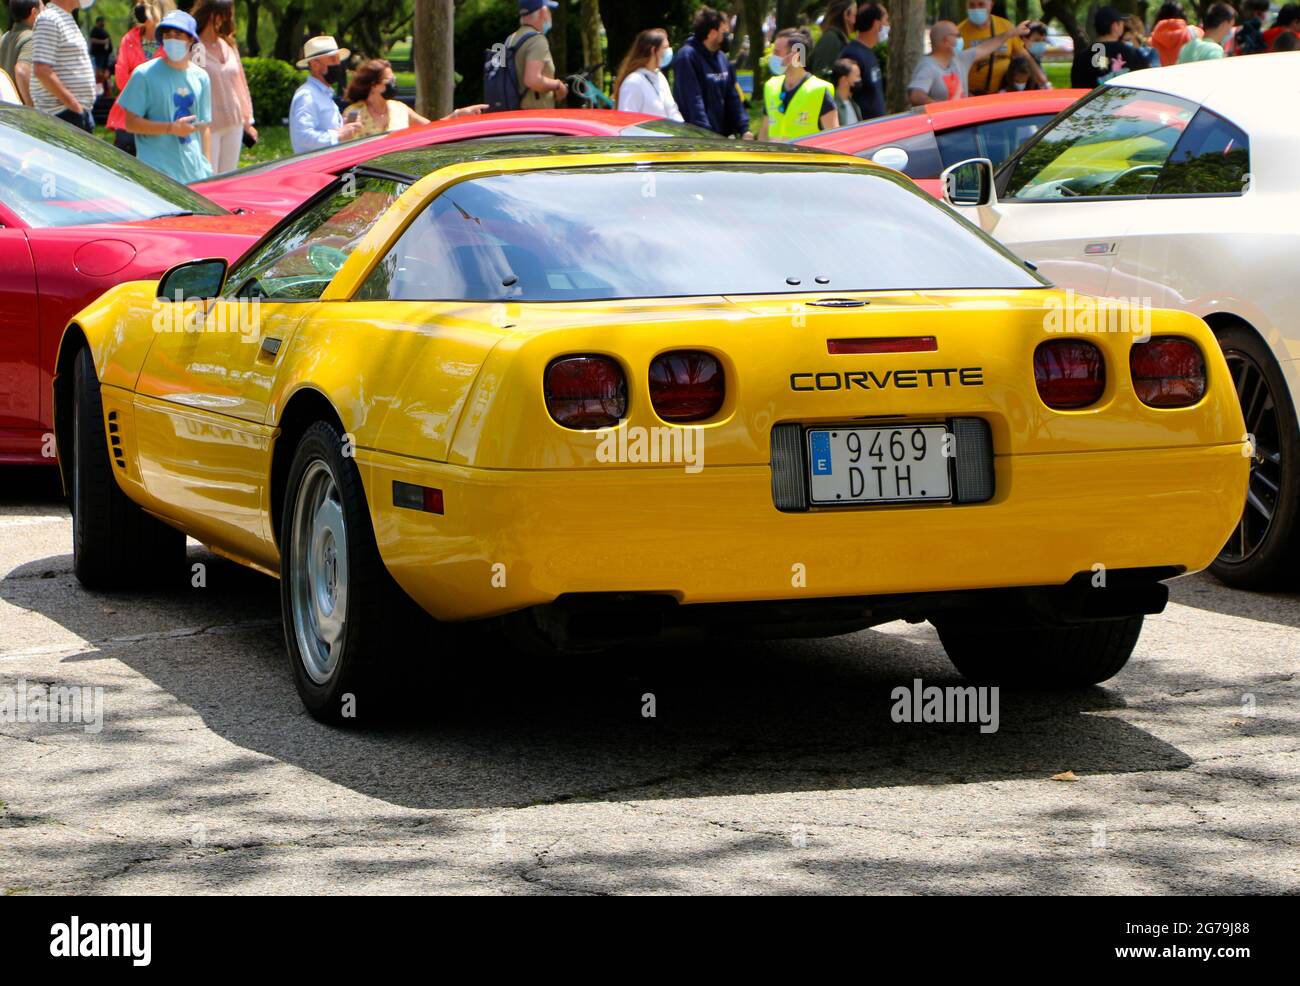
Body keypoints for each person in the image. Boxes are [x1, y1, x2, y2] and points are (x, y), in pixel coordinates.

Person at [118, 9, 212, 182]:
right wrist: (170, 128)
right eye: (167, 34)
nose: (172, 39)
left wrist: (206, 165)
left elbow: (204, 126)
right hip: (157, 176)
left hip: (194, 174)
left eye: (178, 34)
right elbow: (131, 123)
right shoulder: (144, 74)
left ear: (191, 39)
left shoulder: (201, 77)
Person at [192, 0, 253, 174]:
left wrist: (247, 120)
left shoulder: (229, 45)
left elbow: (240, 82)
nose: (225, 19)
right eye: (222, 14)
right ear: (210, 14)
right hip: (209, 125)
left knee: (229, 176)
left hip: (234, 122)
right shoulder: (197, 48)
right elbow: (194, 83)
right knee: (209, 176)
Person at [909, 19, 1031, 105]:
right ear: (946, 41)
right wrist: (941, 110)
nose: (960, 38)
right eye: (957, 35)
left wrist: (1011, 33)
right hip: (943, 135)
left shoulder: (959, 59)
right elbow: (916, 95)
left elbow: (985, 47)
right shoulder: (928, 66)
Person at [672, 6, 749, 138]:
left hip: (721, 137)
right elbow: (693, 100)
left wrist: (744, 129)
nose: (727, 37)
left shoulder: (722, 58)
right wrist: (704, 134)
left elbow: (733, 96)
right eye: (724, 32)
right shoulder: (688, 57)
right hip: (698, 138)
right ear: (712, 33)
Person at [759, 28, 837, 140]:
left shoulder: (819, 90)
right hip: (775, 157)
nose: (772, 57)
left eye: (777, 52)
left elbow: (834, 136)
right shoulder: (771, 86)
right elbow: (764, 131)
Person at [288, 35, 360, 153]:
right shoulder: (307, 96)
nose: (338, 64)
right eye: (332, 59)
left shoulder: (322, 94)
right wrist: (337, 135)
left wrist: (343, 125)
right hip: (313, 167)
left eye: (338, 59)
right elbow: (303, 136)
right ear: (315, 65)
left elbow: (322, 128)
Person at [30, 0, 95, 130]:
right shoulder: (49, 19)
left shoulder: (63, 17)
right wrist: (74, 105)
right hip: (62, 114)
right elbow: (41, 70)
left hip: (73, 112)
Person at [959, 0, 1046, 95]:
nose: (976, 9)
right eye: (972, 5)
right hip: (972, 94)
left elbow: (1024, 56)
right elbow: (954, 67)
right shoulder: (959, 32)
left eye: (981, 4)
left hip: (1002, 93)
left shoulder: (1006, 26)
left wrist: (1042, 80)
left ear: (991, 5)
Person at [107, 3, 160, 154]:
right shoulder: (129, 39)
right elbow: (121, 77)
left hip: (158, 115)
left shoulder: (168, 40)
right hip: (129, 113)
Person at [504, 0, 566, 110]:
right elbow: (532, 80)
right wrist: (558, 85)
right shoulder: (537, 40)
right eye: (550, 11)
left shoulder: (511, 39)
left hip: (513, 115)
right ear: (543, 12)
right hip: (535, 117)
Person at [1070, 7, 1151, 88]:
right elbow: (1146, 83)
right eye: (1121, 23)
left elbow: (1077, 89)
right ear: (1115, 26)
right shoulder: (1133, 54)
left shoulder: (1081, 58)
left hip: (1094, 100)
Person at [613, 28, 683, 121]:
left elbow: (672, 111)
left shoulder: (660, 77)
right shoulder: (633, 82)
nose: (669, 51)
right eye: (665, 48)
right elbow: (626, 122)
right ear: (653, 50)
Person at [839, 2, 886, 121]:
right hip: (863, 129)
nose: (887, 26)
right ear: (876, 24)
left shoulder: (867, 51)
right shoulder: (853, 54)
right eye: (885, 20)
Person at [0, 0, 41, 107]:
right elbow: (22, 71)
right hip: (21, 115)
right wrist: (33, 109)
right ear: (34, 13)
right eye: (43, 8)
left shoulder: (6, 37)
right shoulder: (31, 39)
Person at [808, 0, 855, 80]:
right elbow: (821, 75)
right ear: (846, 14)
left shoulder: (839, 39)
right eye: (855, 14)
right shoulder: (830, 40)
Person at [830, 57, 860, 126]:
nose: (859, 80)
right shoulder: (832, 106)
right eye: (857, 76)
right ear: (844, 79)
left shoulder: (854, 103)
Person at [88, 14, 111, 87]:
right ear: (98, 22)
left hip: (104, 55)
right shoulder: (95, 30)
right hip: (97, 54)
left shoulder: (103, 30)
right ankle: (98, 86)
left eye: (104, 21)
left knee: (104, 72)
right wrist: (103, 42)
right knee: (98, 72)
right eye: (102, 21)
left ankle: (104, 87)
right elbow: (92, 40)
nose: (103, 23)